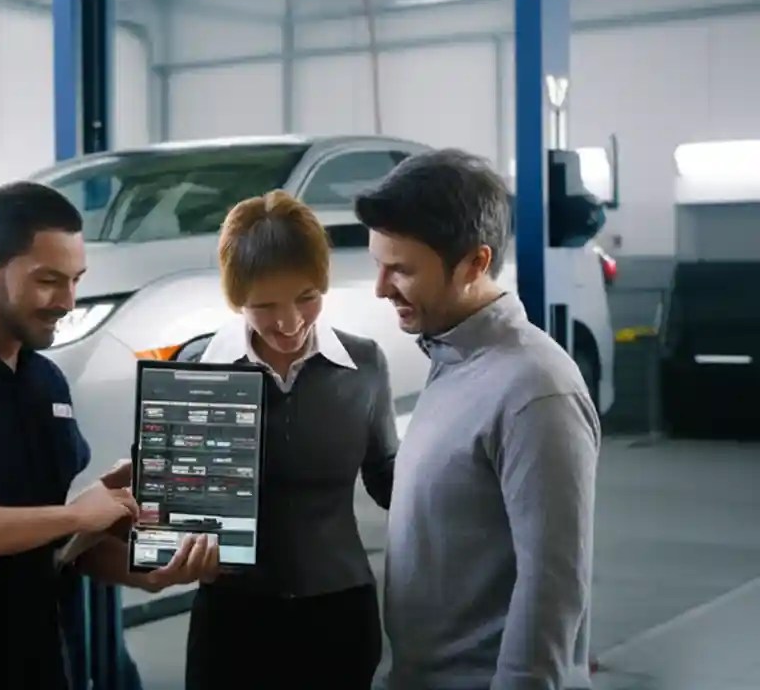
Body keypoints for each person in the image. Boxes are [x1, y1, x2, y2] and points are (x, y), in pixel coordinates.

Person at [0, 180, 217, 690]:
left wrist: (149, 563)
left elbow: (56, 545)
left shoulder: (46, 382)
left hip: (49, 667)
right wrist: (80, 512)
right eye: (49, 280)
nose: (68, 301)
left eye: (75, 279)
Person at [356, 149, 600, 690]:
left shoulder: (535, 389)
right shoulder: (452, 358)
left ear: (474, 263)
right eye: (378, 263)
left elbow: (552, 586)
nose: (380, 288)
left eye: (401, 269)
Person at [186, 189, 399, 689]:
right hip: (232, 619)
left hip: (338, 613)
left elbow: (389, 479)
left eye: (307, 297)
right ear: (237, 300)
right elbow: (179, 494)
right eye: (264, 305)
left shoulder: (364, 364)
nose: (290, 323)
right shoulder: (198, 369)